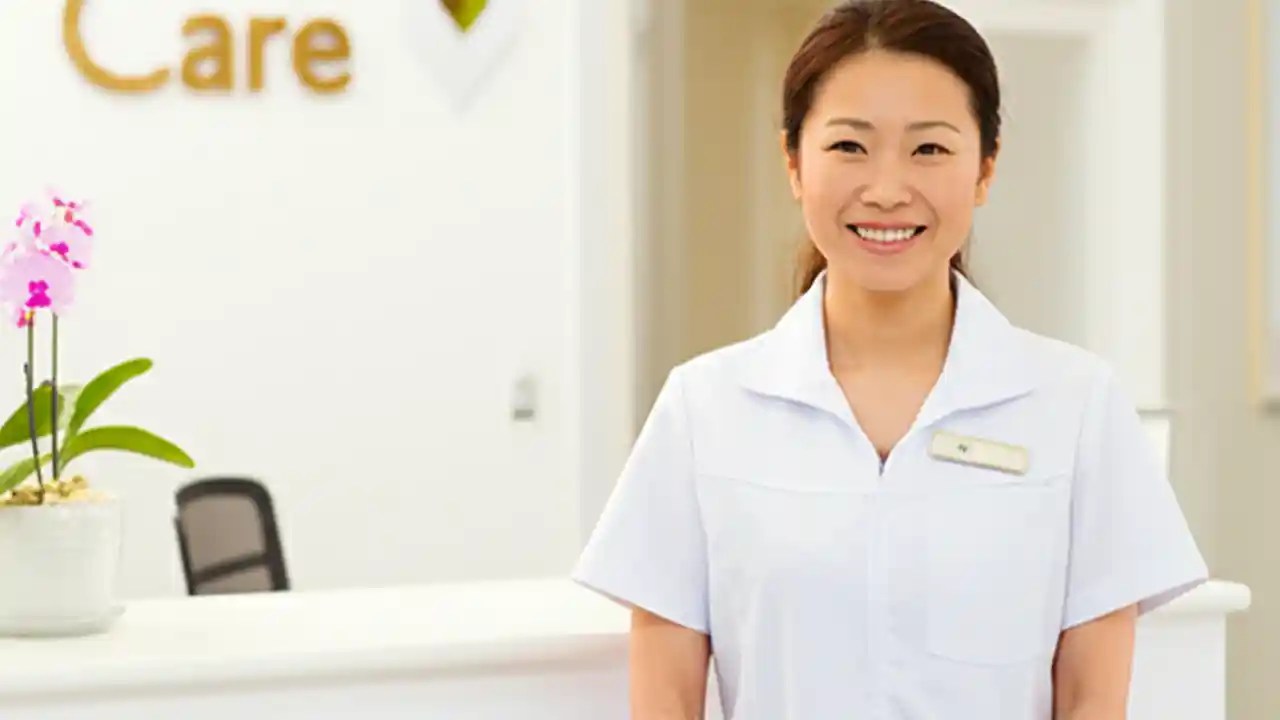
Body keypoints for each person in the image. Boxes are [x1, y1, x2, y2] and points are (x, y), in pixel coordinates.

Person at [571, 0, 1208, 717]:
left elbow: (1093, 701)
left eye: (929, 149)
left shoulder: (1078, 407)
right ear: (793, 161)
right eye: (849, 146)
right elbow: (664, 702)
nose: (885, 188)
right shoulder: (702, 409)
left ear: (985, 169)